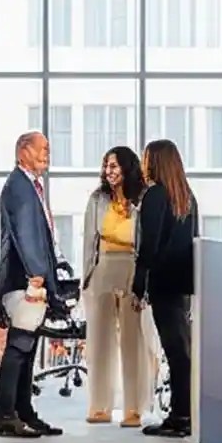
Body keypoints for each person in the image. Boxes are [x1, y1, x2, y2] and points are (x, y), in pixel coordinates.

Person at [0, 131, 64, 439]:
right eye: (42, 149)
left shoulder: (30, 186)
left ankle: (23, 412)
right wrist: (39, 276)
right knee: (18, 348)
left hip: (32, 278)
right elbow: (26, 236)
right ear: (23, 152)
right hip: (26, 281)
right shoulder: (19, 187)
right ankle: (6, 416)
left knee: (28, 349)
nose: (47, 153)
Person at [81, 146, 156, 428]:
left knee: (133, 340)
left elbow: (146, 240)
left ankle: (133, 408)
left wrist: (145, 283)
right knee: (99, 340)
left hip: (133, 269)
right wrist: (86, 278)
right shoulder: (98, 199)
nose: (109, 171)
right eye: (106, 166)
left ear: (127, 168)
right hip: (102, 269)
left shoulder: (144, 198)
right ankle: (99, 405)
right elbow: (89, 239)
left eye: (114, 166)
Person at [132, 139, 199, 439]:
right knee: (181, 350)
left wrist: (138, 285)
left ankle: (180, 417)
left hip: (163, 280)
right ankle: (185, 413)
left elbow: (149, 245)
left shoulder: (156, 195)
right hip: (183, 282)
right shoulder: (186, 195)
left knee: (175, 351)